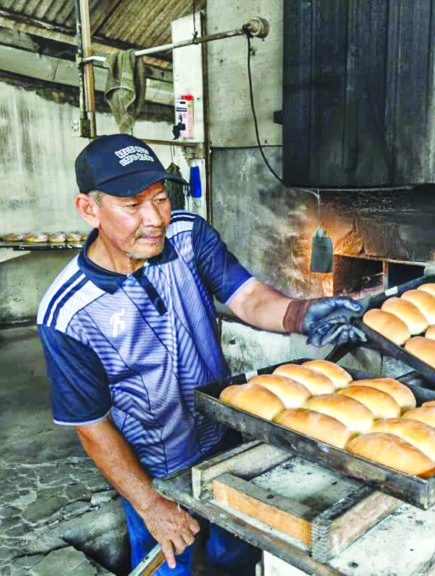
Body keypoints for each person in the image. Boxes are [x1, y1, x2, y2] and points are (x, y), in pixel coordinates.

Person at [37, 134, 365, 574]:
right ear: (89, 209)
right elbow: (92, 426)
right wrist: (151, 504)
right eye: (133, 206)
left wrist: (300, 313)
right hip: (155, 470)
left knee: (237, 558)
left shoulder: (188, 235)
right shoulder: (67, 313)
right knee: (171, 566)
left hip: (225, 443)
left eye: (160, 199)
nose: (155, 218)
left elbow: (247, 297)